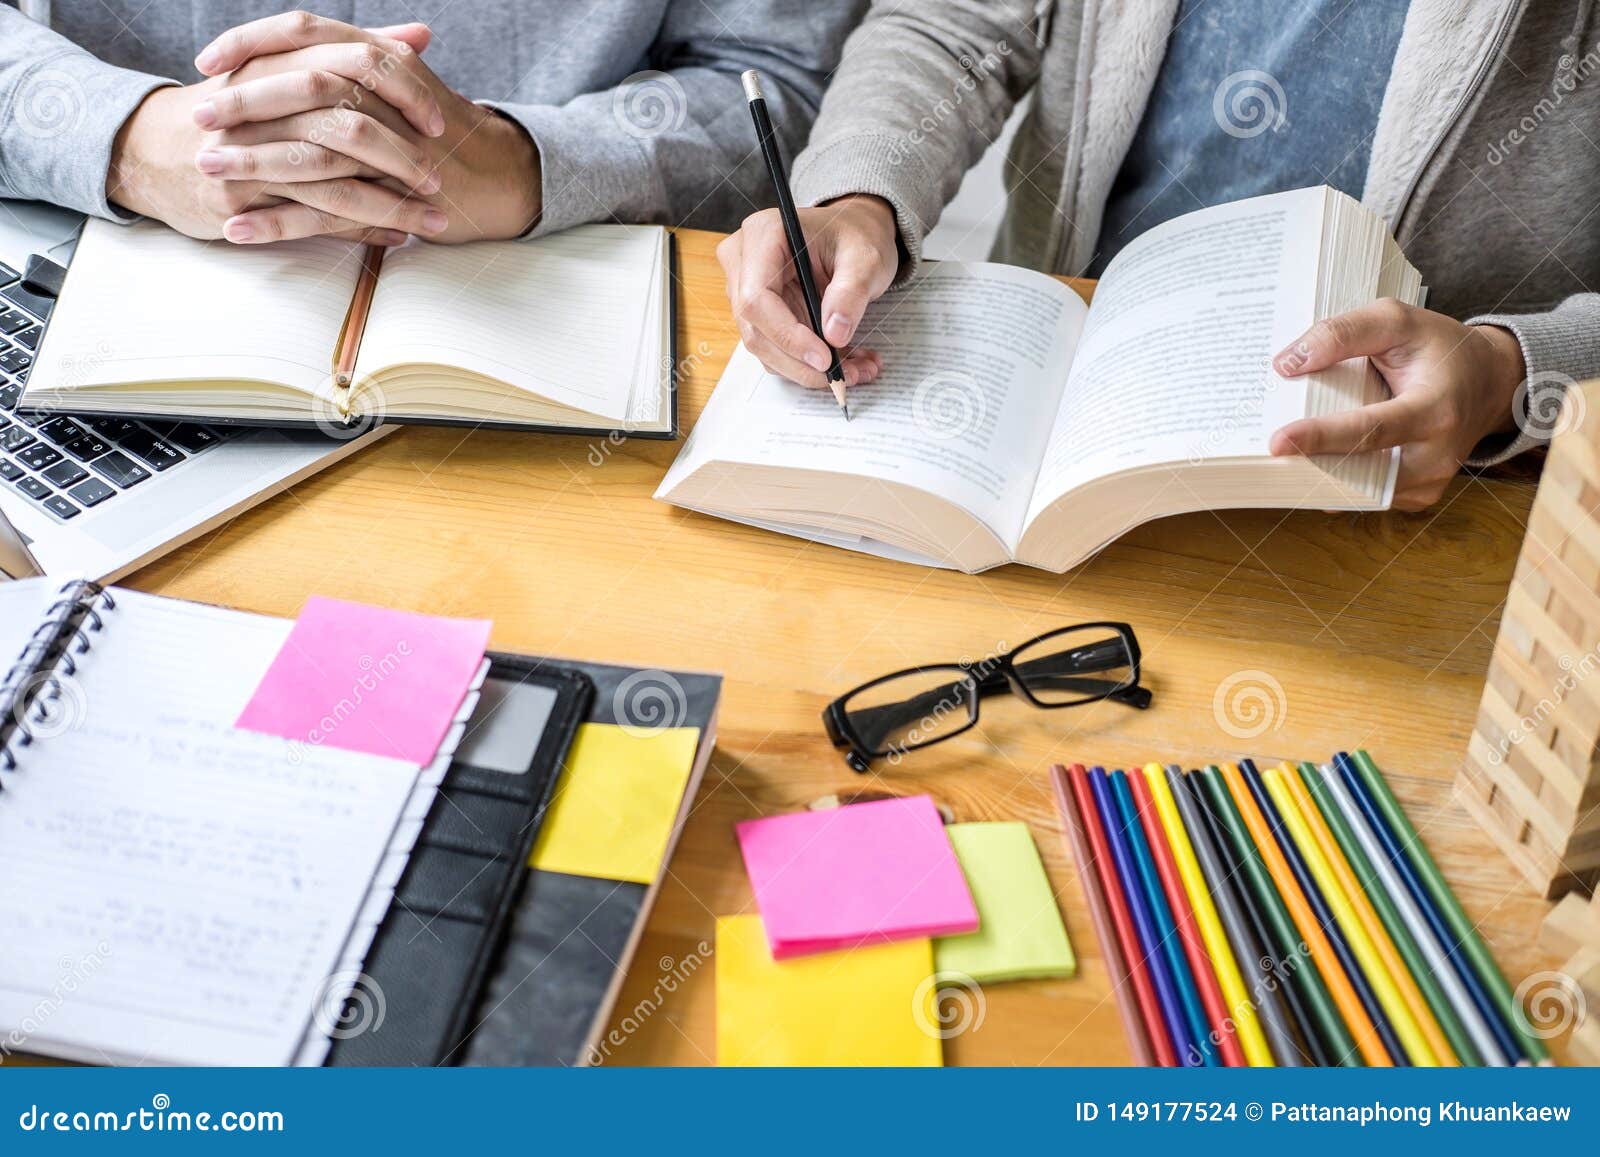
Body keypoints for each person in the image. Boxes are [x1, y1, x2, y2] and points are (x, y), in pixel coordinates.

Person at [718, 0, 1600, 510]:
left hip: (1434, 496)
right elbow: (954, 24)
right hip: (1057, 409)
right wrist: (855, 192)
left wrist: (1506, 371)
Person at [0, 1, 864, 244]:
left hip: (543, 310)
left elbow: (771, 80)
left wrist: (535, 162)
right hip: (103, 275)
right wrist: (128, 141)